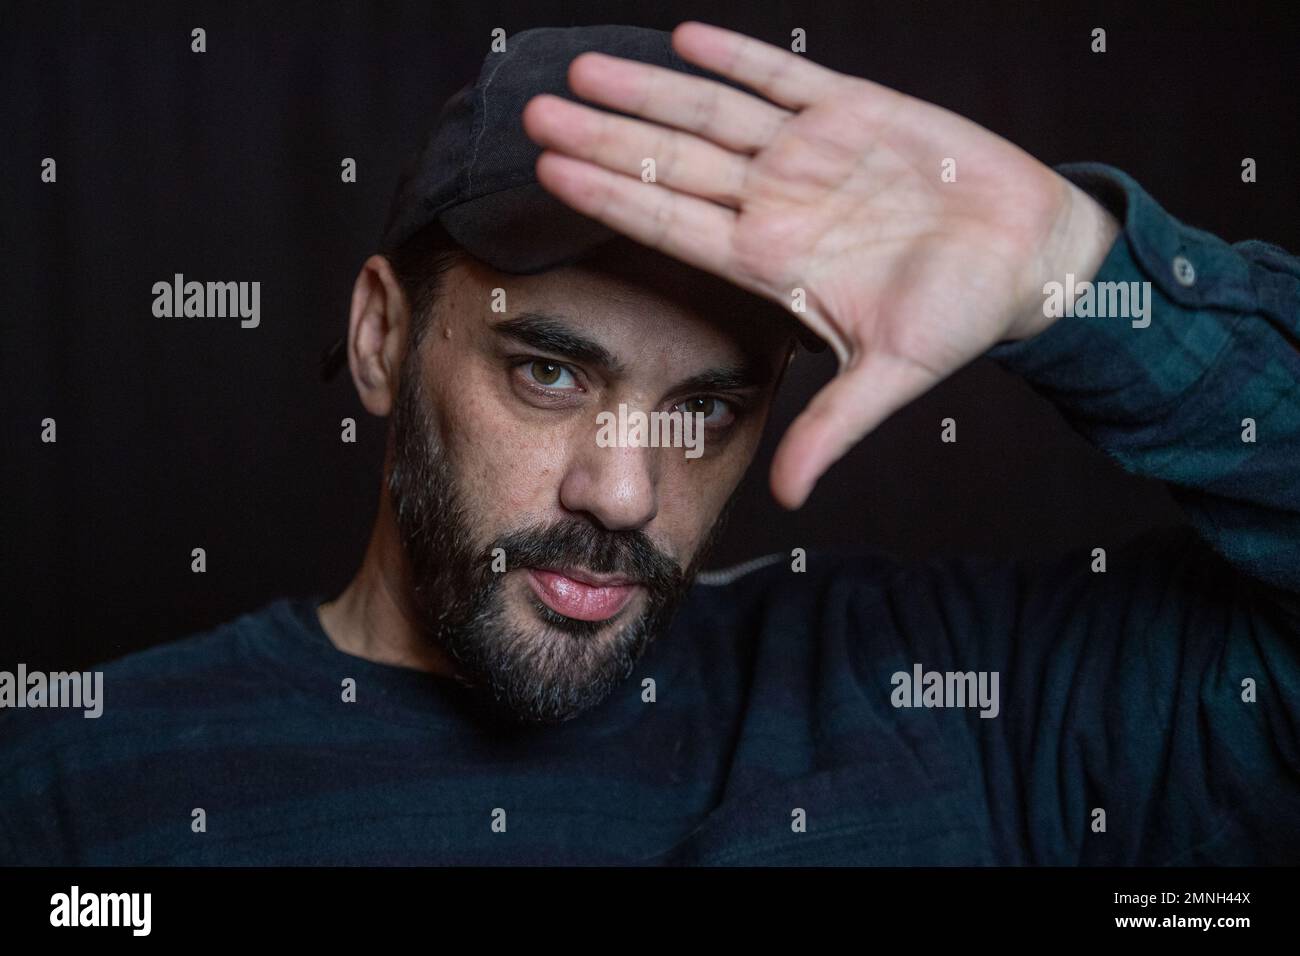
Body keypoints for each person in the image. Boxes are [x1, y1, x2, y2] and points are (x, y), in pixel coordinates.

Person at [3, 23, 1297, 866]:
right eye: (549, 371)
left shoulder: (949, 699)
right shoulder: (85, 787)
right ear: (385, 337)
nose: (624, 492)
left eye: (708, 408)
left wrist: (1072, 276)